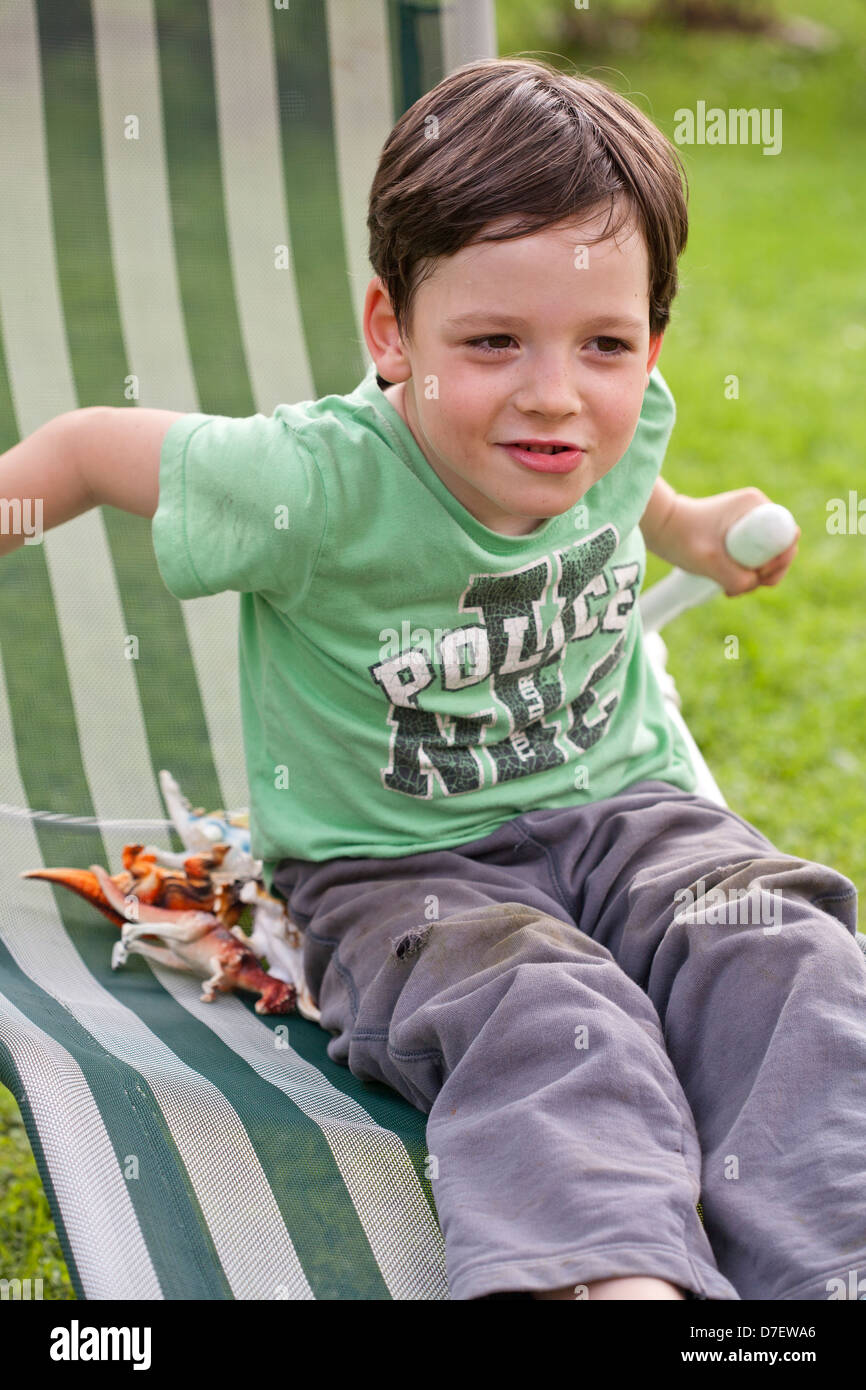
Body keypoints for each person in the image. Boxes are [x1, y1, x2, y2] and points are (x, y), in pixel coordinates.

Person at [2, 57, 864, 1302]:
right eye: (493, 341)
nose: (553, 395)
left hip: (630, 814)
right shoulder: (313, 483)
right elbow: (86, 448)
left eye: (603, 345)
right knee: (547, 1011)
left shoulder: (605, 421)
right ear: (390, 335)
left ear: (649, 341)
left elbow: (629, 499)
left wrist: (692, 528)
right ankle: (612, 1280)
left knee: (779, 944)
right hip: (399, 869)